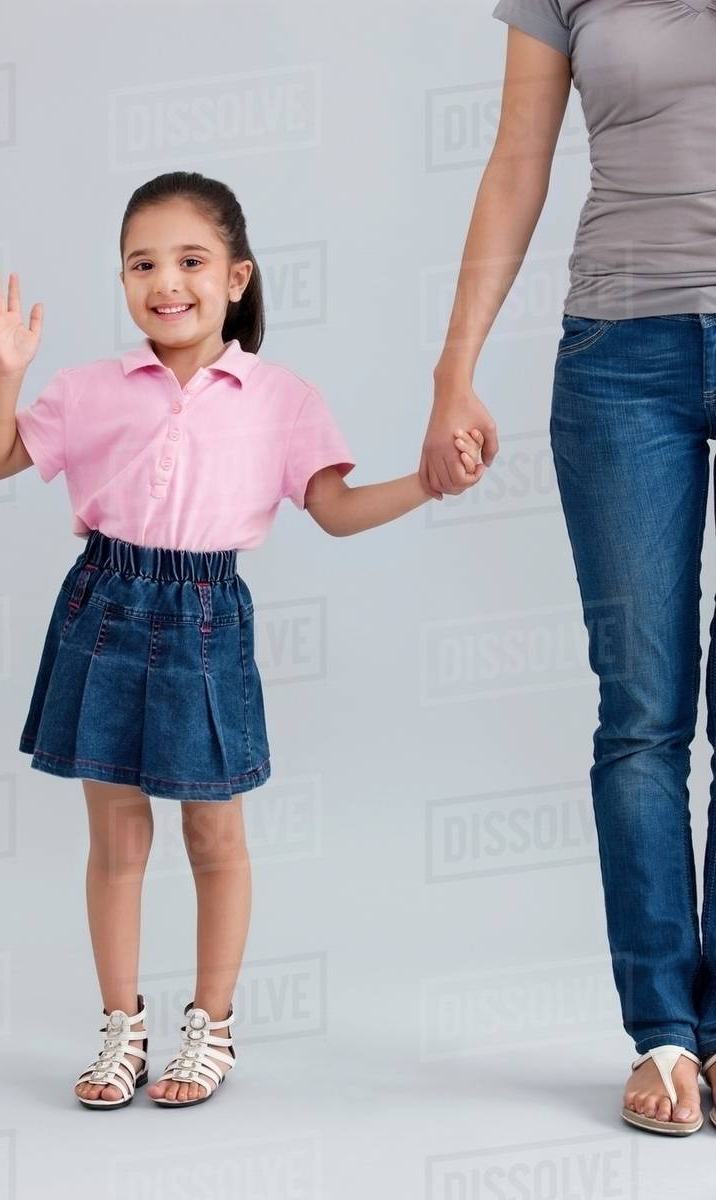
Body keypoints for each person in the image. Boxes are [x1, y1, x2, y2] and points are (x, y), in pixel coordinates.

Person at [0, 170, 485, 1111]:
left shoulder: (281, 397)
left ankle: (212, 1025)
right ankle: (122, 1029)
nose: (168, 282)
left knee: (213, 830)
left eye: (191, 260)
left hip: (206, 617)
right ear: (123, 281)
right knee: (116, 837)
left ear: (236, 278)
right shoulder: (90, 389)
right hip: (103, 607)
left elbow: (334, 509)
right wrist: (7, 373)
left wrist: (427, 482)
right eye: (143, 264)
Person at [420, 0, 716, 1136]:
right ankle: (661, 1038)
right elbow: (513, 162)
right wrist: (455, 367)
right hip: (617, 357)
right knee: (640, 710)